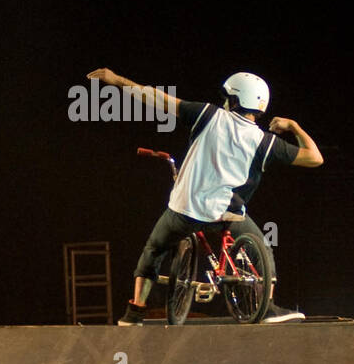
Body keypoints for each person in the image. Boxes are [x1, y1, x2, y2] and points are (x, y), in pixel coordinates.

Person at [86, 67, 323, 325]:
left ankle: (135, 312)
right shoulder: (265, 142)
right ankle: (264, 307)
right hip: (226, 213)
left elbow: (156, 98)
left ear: (234, 100)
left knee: (154, 249)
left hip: (184, 210)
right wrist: (294, 126)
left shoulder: (207, 114)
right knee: (261, 248)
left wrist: (116, 80)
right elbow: (315, 158)